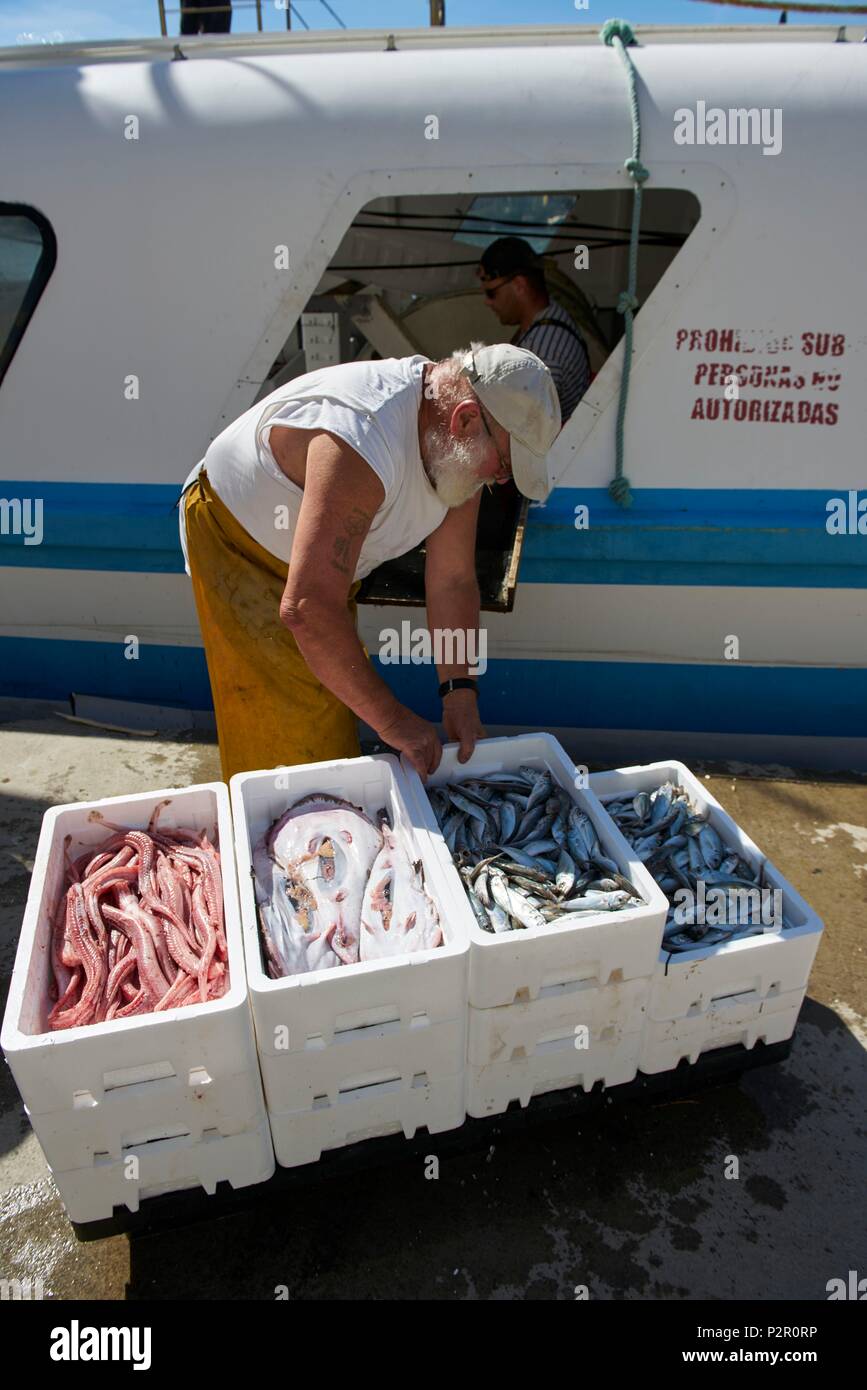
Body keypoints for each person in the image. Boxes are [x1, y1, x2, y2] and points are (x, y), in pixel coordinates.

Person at [178, 344, 561, 781]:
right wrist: (396, 723)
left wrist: (460, 693)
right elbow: (306, 608)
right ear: (467, 419)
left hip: (315, 577)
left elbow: (453, 581)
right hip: (239, 544)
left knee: (340, 700)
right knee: (295, 757)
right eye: (506, 463)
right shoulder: (362, 435)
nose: (501, 478)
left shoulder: (459, 446)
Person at [478, 236, 590, 422]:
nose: (487, 302)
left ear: (520, 286)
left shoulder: (544, 356)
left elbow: (525, 428)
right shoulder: (549, 312)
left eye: (492, 293)